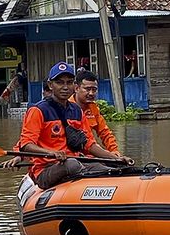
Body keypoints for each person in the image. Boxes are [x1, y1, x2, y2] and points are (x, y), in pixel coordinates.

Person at [12, 61, 130, 189]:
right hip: (46, 169)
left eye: (69, 82)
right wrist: (51, 153)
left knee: (108, 167)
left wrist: (115, 158)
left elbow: (89, 144)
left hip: (74, 162)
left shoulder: (77, 111)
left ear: (74, 86)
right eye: (60, 82)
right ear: (50, 85)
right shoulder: (38, 110)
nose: (65, 87)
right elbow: (26, 145)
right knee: (72, 164)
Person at [71, 69, 121, 155]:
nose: (91, 93)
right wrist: (107, 155)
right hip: (75, 156)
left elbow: (105, 132)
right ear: (76, 88)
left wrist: (114, 151)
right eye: (87, 89)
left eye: (94, 90)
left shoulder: (93, 108)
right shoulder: (68, 108)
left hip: (91, 153)